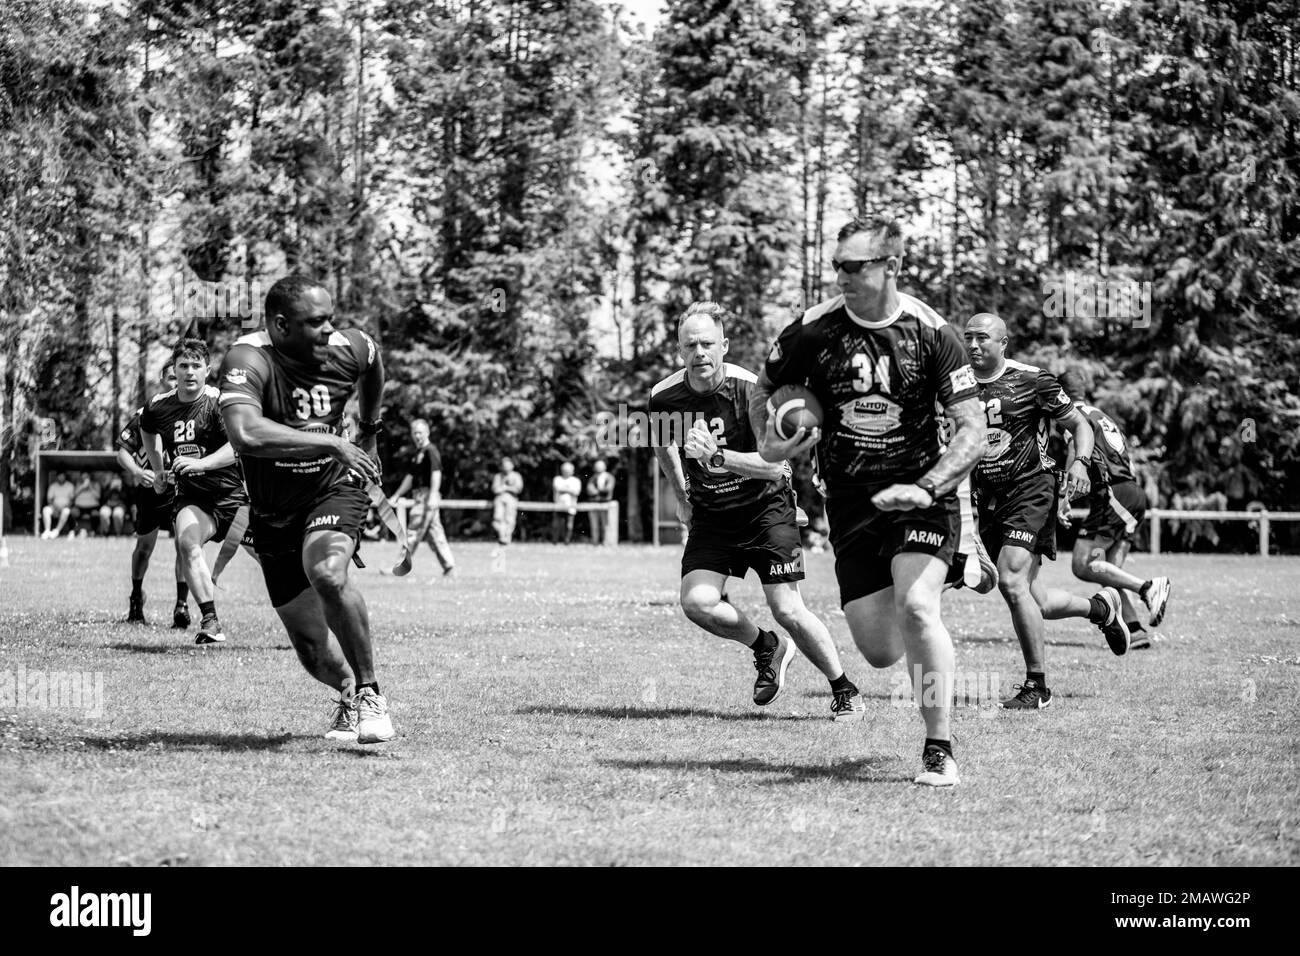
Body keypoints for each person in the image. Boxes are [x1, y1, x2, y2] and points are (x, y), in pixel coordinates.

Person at [752, 217, 986, 786]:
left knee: (917, 609)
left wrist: (929, 486)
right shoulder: (812, 331)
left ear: (892, 267)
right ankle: (939, 576)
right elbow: (762, 392)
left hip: (920, 494)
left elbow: (972, 430)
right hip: (852, 504)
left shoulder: (933, 333)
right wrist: (773, 440)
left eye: (855, 267)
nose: (843, 277)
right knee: (880, 651)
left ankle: (939, 747)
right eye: (838, 266)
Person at [653, 300, 865, 721]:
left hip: (765, 508)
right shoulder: (663, 396)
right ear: (679, 350)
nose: (699, 353)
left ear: (724, 345)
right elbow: (664, 445)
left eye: (707, 344)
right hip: (713, 515)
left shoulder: (750, 389)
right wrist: (681, 495)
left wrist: (717, 459)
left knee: (787, 609)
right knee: (697, 602)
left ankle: (845, 689)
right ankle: (767, 646)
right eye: (690, 345)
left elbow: (776, 467)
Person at [219, 274, 394, 744]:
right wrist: (335, 441)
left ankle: (372, 692)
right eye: (316, 322)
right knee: (313, 650)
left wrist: (370, 430)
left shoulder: (349, 347)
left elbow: (374, 363)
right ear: (280, 325)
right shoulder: (248, 359)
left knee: (328, 571)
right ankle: (346, 693)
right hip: (273, 512)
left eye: (331, 318)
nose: (329, 330)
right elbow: (247, 434)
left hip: (332, 490)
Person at [963, 313, 1132, 713]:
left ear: (1004, 342)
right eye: (967, 337)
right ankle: (1102, 607)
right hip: (987, 498)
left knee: (1010, 578)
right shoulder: (957, 386)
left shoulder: (1031, 380)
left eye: (982, 338)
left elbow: (1080, 426)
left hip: (1032, 489)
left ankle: (1037, 686)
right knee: (1033, 599)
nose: (972, 345)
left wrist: (1079, 464)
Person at [141, 338, 251, 644]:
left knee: (273, 559)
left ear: (208, 369)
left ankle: (313, 608)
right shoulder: (158, 406)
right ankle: (210, 621)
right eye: (183, 366)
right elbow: (146, 429)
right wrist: (158, 468)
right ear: (174, 370)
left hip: (232, 497)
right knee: (187, 542)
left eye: (196, 366)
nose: (189, 372)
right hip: (194, 498)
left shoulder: (220, 402)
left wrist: (201, 463)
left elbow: (238, 447)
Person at [1056, 369, 1171, 649]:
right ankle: (1135, 630)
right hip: (1130, 493)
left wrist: (1065, 496)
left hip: (1113, 495)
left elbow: (1075, 451)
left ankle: (1148, 587)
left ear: (1061, 394)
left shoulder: (1074, 417)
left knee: (1084, 565)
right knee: (1107, 569)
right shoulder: (1102, 415)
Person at [116, 365, 191, 625]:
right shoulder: (146, 413)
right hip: (150, 491)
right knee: (144, 548)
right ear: (161, 380)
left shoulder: (193, 412)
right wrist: (139, 472)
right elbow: (122, 452)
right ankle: (136, 599)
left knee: (185, 545)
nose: (176, 381)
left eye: (178, 377)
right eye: (171, 377)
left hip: (181, 490)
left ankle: (181, 606)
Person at [388, 419, 455, 576]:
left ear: (427, 432)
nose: (417, 436)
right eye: (415, 433)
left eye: (420, 432)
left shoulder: (430, 450)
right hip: (420, 496)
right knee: (435, 535)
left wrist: (432, 496)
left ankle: (401, 567)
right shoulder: (418, 453)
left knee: (413, 532)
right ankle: (450, 567)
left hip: (426, 497)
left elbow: (436, 473)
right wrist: (397, 495)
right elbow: (410, 477)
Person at [491, 457, 524, 545]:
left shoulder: (516, 476)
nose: (506, 467)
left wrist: (506, 488)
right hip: (499, 500)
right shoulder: (498, 476)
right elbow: (495, 489)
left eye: (508, 465)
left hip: (511, 500)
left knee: (509, 519)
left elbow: (518, 489)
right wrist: (505, 488)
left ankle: (507, 536)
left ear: (512, 466)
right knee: (498, 519)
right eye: (504, 466)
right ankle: (502, 536)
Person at [585, 459, 616, 545]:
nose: (598, 468)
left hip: (605, 504)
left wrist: (597, 491)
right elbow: (589, 490)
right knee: (594, 525)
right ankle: (595, 543)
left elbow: (608, 489)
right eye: (597, 466)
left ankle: (606, 542)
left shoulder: (610, 477)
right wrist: (600, 491)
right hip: (594, 504)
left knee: (605, 525)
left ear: (604, 467)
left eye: (600, 466)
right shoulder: (593, 478)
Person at [551, 462, 581, 543]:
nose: (566, 472)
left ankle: (567, 542)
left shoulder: (576, 480)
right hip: (558, 506)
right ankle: (554, 541)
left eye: (568, 471)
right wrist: (570, 490)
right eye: (565, 470)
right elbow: (557, 489)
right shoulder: (557, 479)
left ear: (572, 471)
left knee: (569, 526)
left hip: (571, 507)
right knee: (556, 525)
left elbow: (576, 492)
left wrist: (564, 489)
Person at [41, 472, 75, 538]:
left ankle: (56, 531)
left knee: (66, 511)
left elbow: (72, 500)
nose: (61, 478)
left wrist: (65, 506)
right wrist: (55, 507)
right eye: (60, 476)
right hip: (54, 507)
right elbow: (49, 499)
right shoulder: (53, 486)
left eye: (62, 476)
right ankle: (47, 531)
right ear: (57, 477)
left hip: (65, 507)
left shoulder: (70, 486)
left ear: (65, 476)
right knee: (46, 510)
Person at [69, 472, 101, 537]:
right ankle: (72, 531)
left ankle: (93, 532)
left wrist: (90, 487)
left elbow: (98, 496)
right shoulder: (79, 484)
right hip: (80, 506)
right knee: (73, 512)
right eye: (84, 476)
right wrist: (83, 486)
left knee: (95, 514)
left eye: (87, 476)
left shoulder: (96, 484)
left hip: (93, 506)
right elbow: (74, 495)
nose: (85, 478)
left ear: (90, 476)